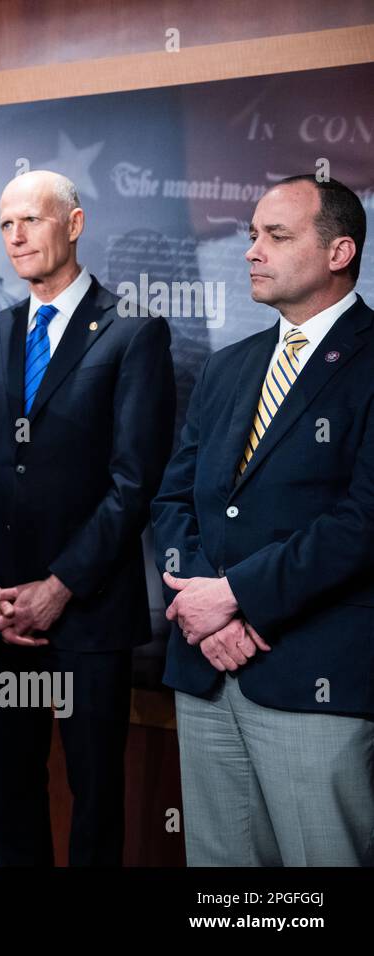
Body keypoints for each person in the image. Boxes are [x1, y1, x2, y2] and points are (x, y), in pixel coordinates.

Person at [0, 170, 175, 865]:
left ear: (73, 224)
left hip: (87, 615)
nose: (15, 236)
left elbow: (134, 483)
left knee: (95, 799)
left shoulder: (134, 334)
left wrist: (58, 588)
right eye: (7, 224)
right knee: (10, 796)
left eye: (32, 221)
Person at [151, 175, 374, 866]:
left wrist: (237, 597)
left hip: (314, 677)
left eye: (276, 236)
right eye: (251, 234)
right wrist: (202, 608)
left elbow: (362, 522)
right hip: (206, 670)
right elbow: (171, 501)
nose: (252, 251)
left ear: (339, 251)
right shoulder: (226, 369)